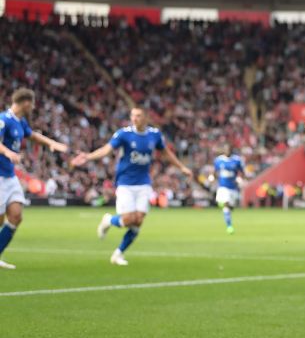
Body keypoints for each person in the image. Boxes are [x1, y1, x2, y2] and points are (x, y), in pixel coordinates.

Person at [72, 107, 193, 266]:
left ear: (146, 117)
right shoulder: (124, 134)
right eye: (133, 115)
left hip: (144, 183)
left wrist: (181, 167)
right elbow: (107, 149)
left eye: (138, 116)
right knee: (129, 220)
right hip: (125, 182)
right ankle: (108, 220)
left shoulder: (154, 135)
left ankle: (118, 254)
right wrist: (88, 156)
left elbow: (166, 153)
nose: (134, 118)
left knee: (138, 221)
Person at [0, 88, 70, 269]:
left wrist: (51, 143)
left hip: (9, 176)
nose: (33, 107)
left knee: (16, 216)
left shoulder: (20, 121)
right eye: (32, 103)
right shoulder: (4, 119)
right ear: (25, 102)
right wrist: (8, 152)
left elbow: (32, 136)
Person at [213, 150, 246, 234]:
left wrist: (240, 179)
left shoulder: (237, 160)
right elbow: (215, 171)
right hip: (223, 187)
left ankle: (225, 207)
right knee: (225, 205)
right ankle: (229, 226)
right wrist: (213, 178)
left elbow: (242, 172)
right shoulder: (219, 160)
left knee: (229, 208)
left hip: (233, 188)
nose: (227, 151)